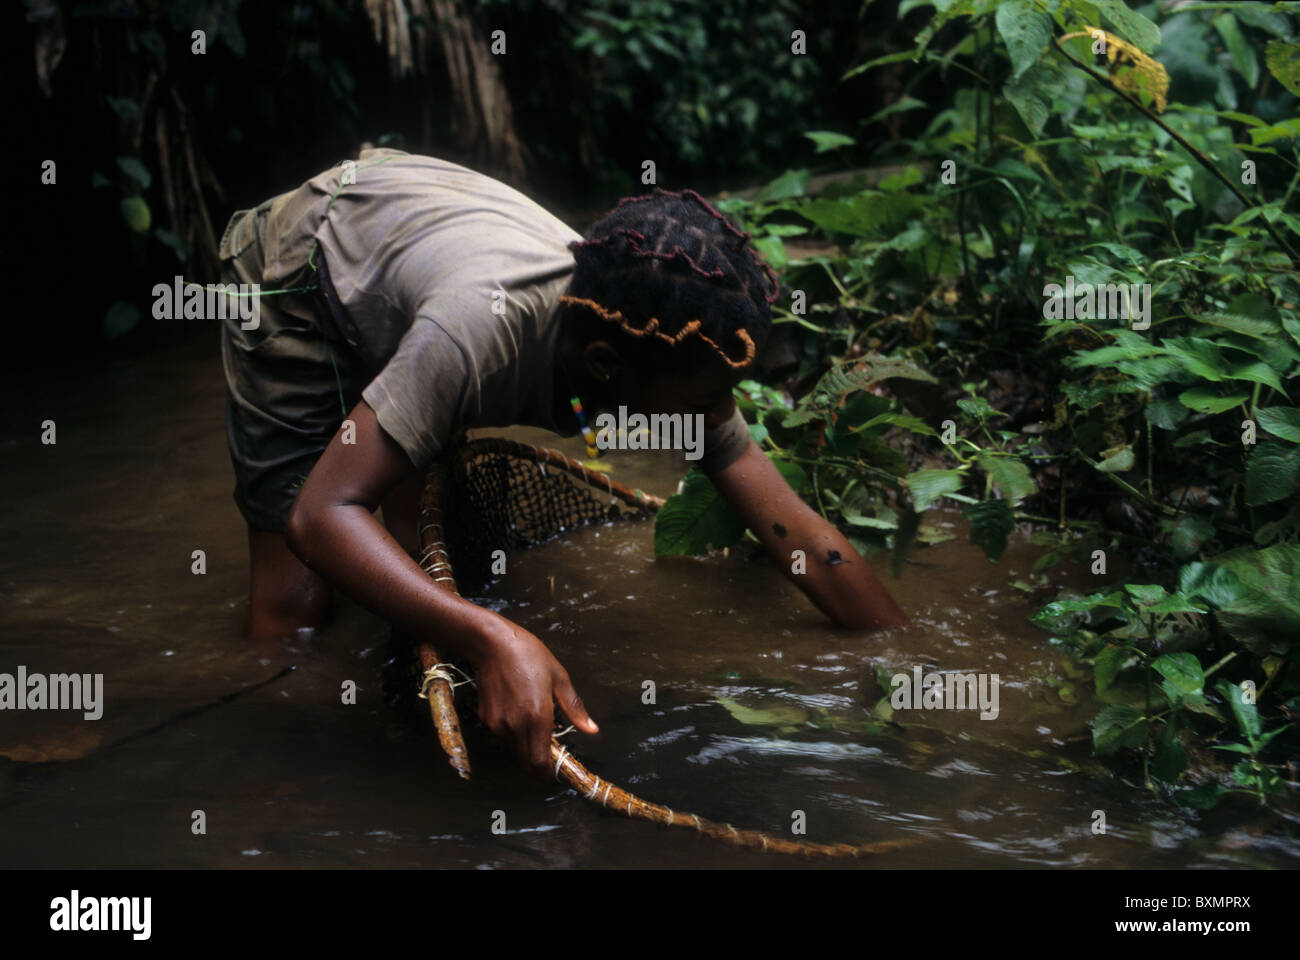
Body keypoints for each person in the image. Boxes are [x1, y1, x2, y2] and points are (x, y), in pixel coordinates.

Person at [218, 148, 907, 778]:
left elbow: (806, 544)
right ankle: (283, 790)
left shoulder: (663, 350)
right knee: (298, 612)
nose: (720, 413)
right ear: (607, 369)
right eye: (707, 398)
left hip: (408, 251)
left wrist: (908, 661)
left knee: (413, 537)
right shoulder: (477, 334)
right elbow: (320, 516)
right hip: (302, 275)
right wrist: (491, 639)